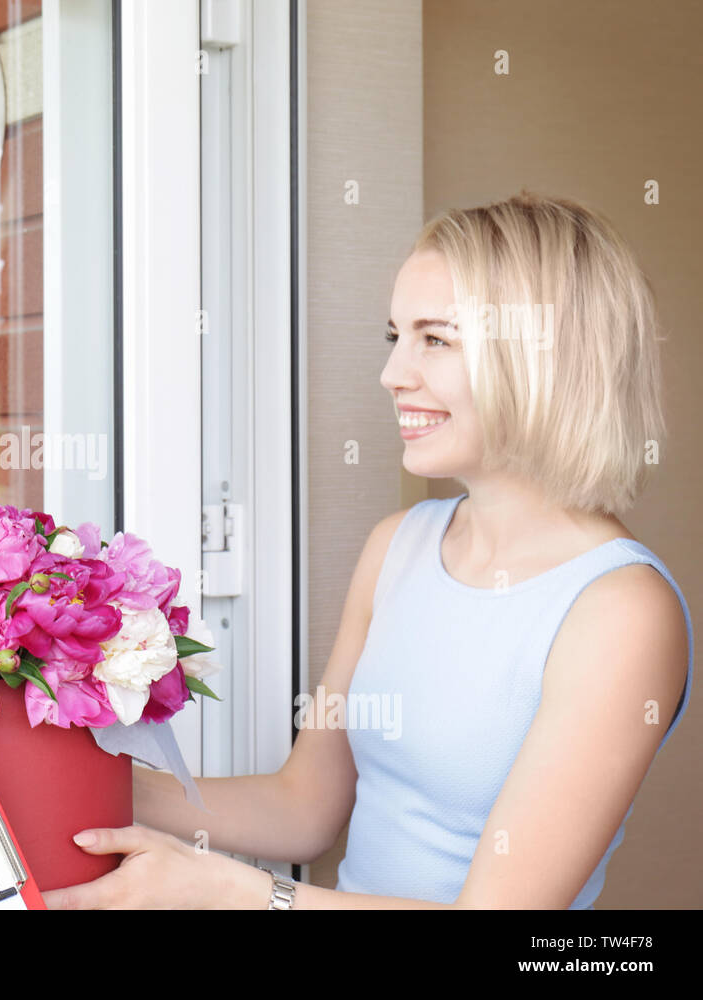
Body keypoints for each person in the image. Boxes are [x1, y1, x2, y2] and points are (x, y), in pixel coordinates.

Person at [43, 191, 693, 909]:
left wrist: (239, 897)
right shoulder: (399, 547)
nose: (393, 375)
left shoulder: (622, 611)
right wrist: (85, 782)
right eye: (396, 337)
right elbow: (303, 807)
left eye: (435, 339)